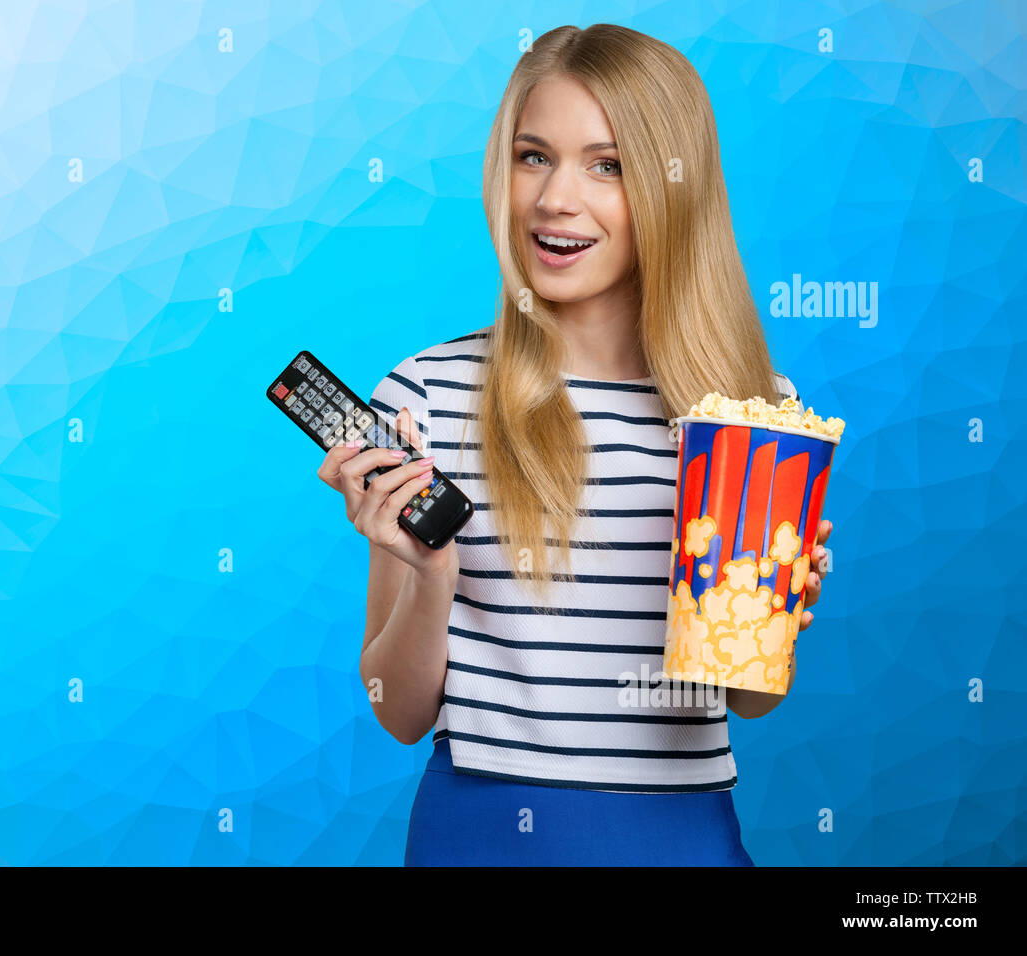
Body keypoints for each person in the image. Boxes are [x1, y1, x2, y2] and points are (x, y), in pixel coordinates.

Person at [317, 23, 834, 866]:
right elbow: (399, 712)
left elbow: (750, 700)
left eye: (608, 165)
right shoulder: (428, 396)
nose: (557, 198)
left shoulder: (753, 415)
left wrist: (774, 615)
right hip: (481, 832)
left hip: (683, 836)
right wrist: (430, 573)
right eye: (533, 156)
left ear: (673, 188)